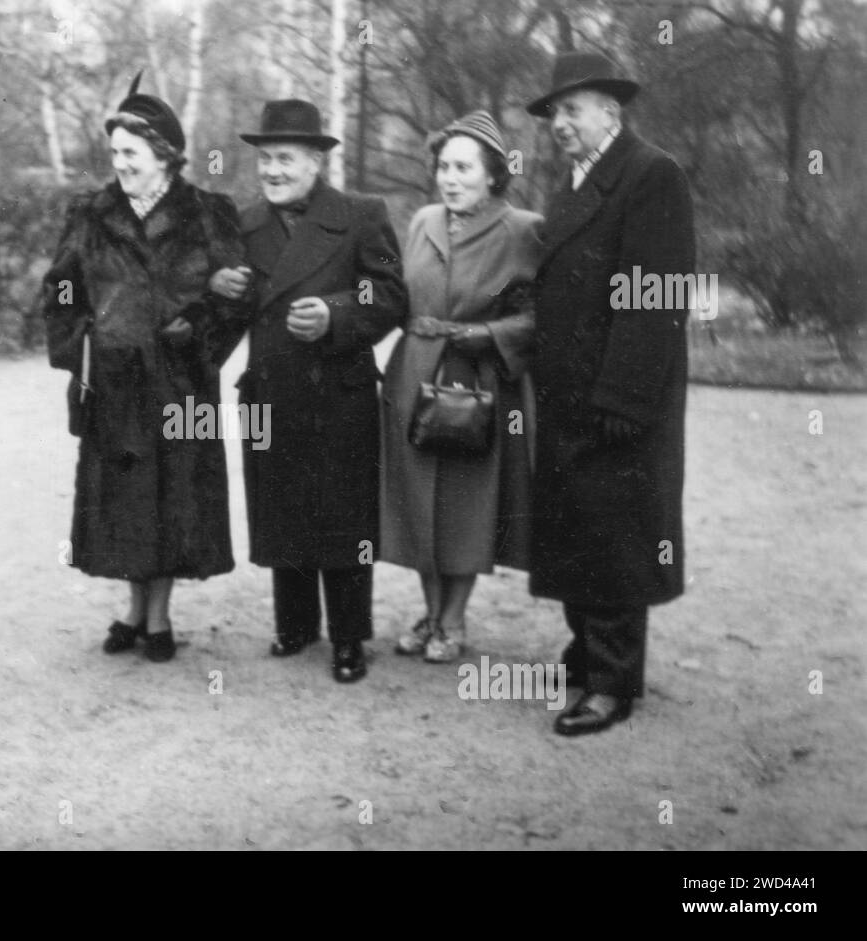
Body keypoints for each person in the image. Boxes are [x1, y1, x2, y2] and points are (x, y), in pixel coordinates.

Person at [42, 73, 246, 663]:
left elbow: (239, 296)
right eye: (115, 154)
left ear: (164, 156)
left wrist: (199, 331)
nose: (120, 164)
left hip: (181, 381)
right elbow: (59, 288)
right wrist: (80, 343)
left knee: (175, 495)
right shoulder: (90, 214)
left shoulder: (208, 214)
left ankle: (159, 617)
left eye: (130, 153)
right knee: (127, 500)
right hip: (115, 382)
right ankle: (135, 610)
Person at [525, 52, 696, 735]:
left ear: (611, 112)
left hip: (620, 398)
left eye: (572, 109)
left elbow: (658, 297)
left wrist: (624, 397)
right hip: (569, 390)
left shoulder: (651, 175)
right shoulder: (574, 182)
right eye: (553, 113)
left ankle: (612, 682)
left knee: (619, 532)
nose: (559, 123)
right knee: (575, 525)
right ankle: (583, 653)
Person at [209, 99, 406, 683]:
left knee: (343, 516)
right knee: (281, 509)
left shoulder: (362, 214)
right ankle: (294, 625)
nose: (271, 170)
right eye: (265, 158)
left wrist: (339, 313)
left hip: (339, 393)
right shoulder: (244, 225)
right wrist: (218, 286)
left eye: (285, 159)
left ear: (317, 161)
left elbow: (391, 295)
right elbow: (229, 315)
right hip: (269, 393)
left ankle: (349, 638)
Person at [379, 111, 543, 663]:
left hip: (478, 381)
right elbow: (401, 294)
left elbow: (542, 315)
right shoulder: (423, 220)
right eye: (443, 166)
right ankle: (431, 614)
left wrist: (490, 334)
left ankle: (453, 621)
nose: (449, 178)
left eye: (463, 168)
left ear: (494, 174)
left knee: (466, 503)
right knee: (420, 499)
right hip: (416, 371)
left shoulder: (522, 229)